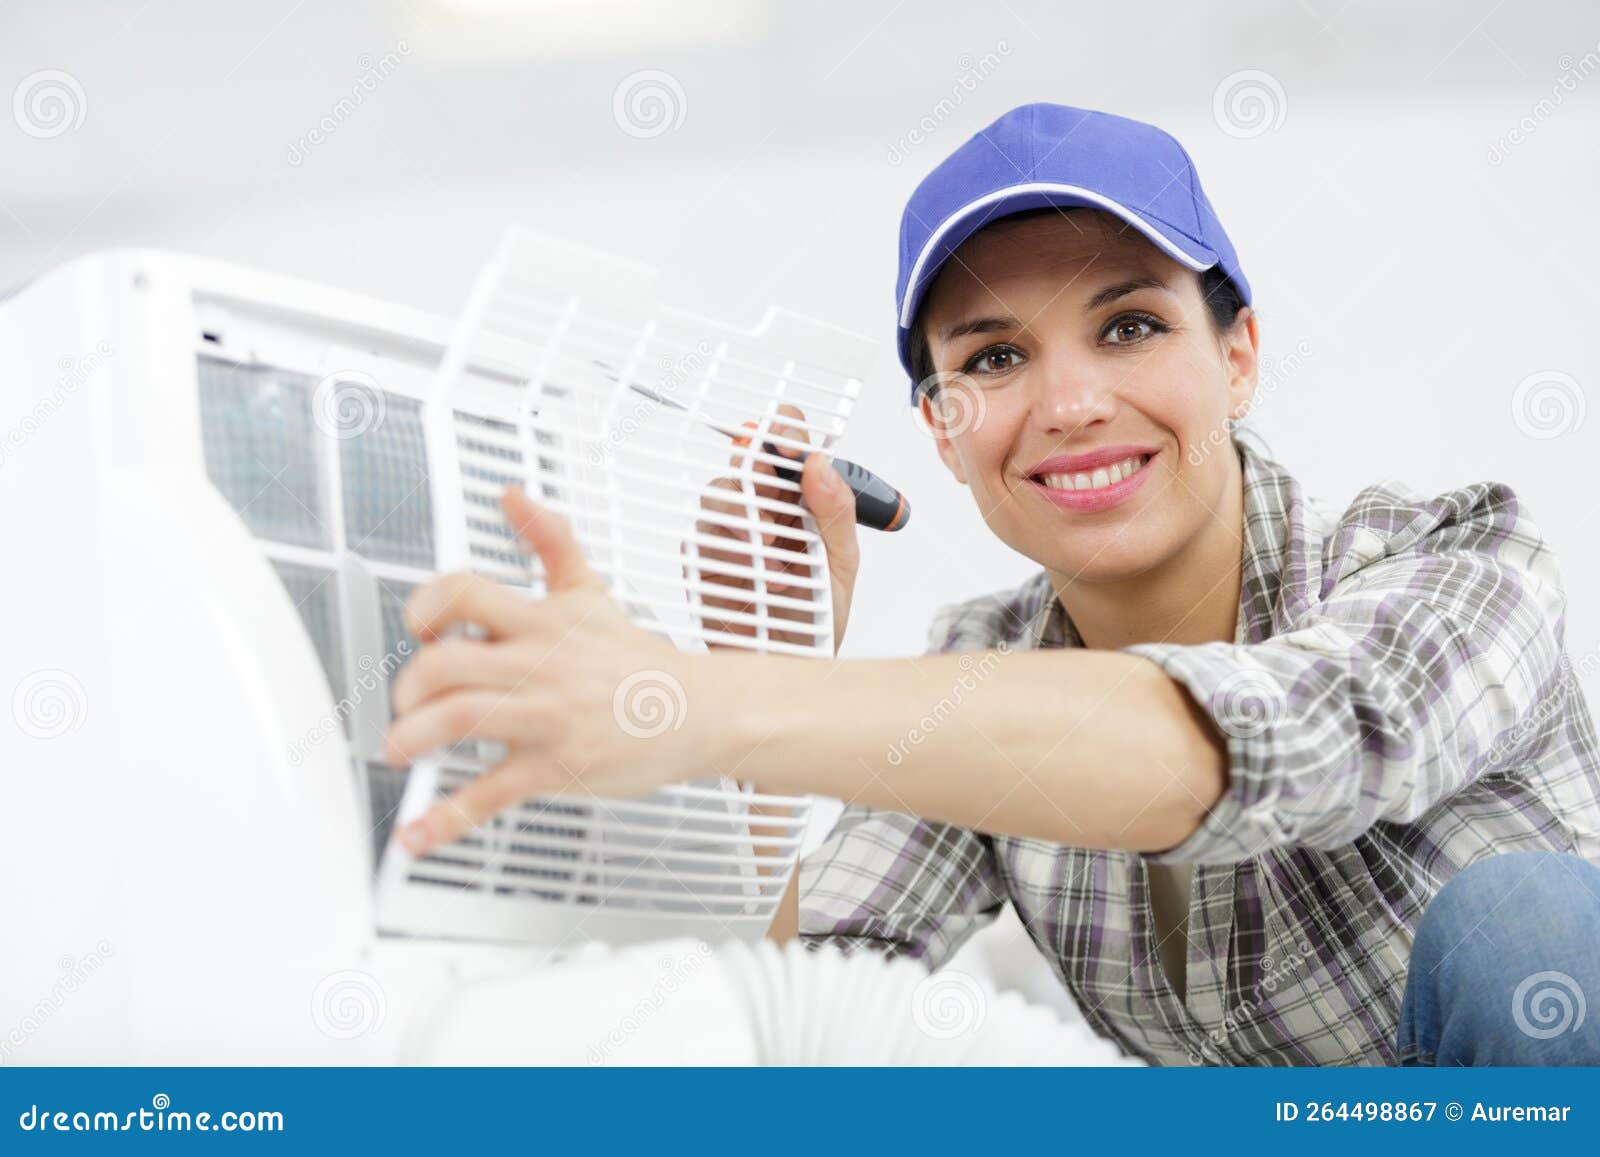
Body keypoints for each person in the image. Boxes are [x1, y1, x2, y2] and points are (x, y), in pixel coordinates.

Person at [382, 103, 1600, 1065]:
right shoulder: (982, 672)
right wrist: (766, 669)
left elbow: (1254, 741)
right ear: (942, 429)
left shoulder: (1455, 561)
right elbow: (809, 1008)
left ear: (1236, 357)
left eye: (1127, 326)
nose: (1068, 405)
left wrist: (696, 699)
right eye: (996, 356)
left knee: (1531, 925)